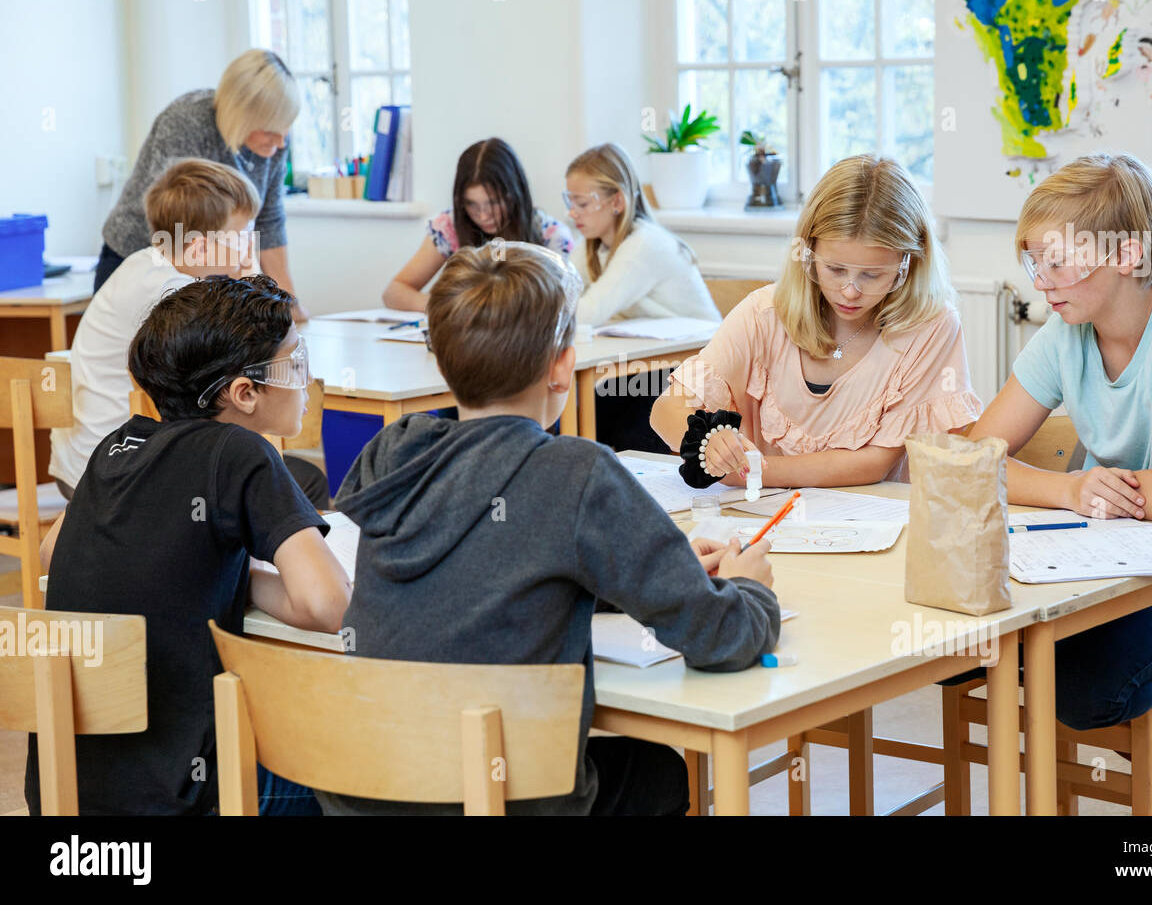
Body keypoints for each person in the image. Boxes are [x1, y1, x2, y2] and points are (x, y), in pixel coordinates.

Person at [316, 241, 780, 815]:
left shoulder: (395, 451)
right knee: (660, 769)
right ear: (564, 366)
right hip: (500, 799)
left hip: (366, 791)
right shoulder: (576, 472)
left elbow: (504, 560)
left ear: (440, 361)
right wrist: (750, 588)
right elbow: (720, 638)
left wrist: (640, 560)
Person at [30, 275, 352, 814]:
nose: (309, 379)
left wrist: (201, 563)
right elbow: (329, 605)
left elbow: (50, 552)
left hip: (71, 795)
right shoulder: (241, 453)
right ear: (244, 393)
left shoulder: (118, 446)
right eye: (295, 365)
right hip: (186, 796)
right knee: (357, 774)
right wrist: (235, 572)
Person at [966, 152, 1152, 729]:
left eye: (1056, 262)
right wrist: (1072, 490)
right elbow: (973, 458)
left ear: (1126, 254)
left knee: (1081, 692)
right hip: (1097, 551)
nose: (1040, 281)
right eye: (1033, 262)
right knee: (964, 642)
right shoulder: (1065, 329)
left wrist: (1072, 491)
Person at [650, 153, 982, 488]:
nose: (850, 292)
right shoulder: (764, 313)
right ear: (807, 253)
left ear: (907, 264)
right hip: (761, 520)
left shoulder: (931, 326)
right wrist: (705, 444)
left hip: (873, 520)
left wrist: (750, 472)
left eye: (872, 275)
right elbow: (666, 409)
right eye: (835, 270)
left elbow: (874, 464)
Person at [49, 157, 329, 508]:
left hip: (89, 461)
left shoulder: (144, 263)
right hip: (115, 469)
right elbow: (261, 344)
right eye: (242, 236)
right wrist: (248, 281)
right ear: (199, 248)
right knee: (300, 482)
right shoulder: (174, 293)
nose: (249, 247)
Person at [95, 49, 308, 321]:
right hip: (145, 255)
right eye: (269, 132)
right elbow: (176, 230)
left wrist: (288, 305)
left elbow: (269, 221)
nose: (280, 143)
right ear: (240, 115)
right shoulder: (187, 122)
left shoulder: (277, 142)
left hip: (202, 265)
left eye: (286, 129)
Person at [382, 137, 572, 312]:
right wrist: (448, 307)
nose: (483, 216)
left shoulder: (552, 237)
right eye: (471, 204)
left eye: (494, 203)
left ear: (515, 195)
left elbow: (560, 305)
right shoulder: (449, 226)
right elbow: (393, 292)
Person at [565, 142, 719, 326]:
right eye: (570, 202)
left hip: (700, 348)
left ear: (617, 202)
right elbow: (559, 294)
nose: (572, 213)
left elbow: (587, 314)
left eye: (582, 204)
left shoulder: (645, 245)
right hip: (659, 347)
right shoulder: (591, 243)